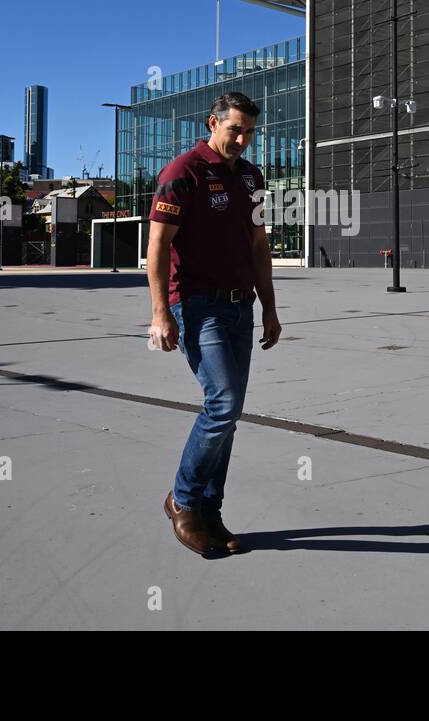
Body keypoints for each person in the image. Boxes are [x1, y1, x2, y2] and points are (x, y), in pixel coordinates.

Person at [147, 91, 282, 557]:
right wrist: (161, 312)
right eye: (235, 129)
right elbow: (158, 247)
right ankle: (182, 502)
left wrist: (269, 307)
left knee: (230, 414)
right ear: (212, 123)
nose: (243, 139)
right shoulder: (182, 173)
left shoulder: (252, 177)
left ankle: (210, 509)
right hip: (197, 305)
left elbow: (260, 247)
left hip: (241, 305)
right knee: (222, 404)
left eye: (250, 132)